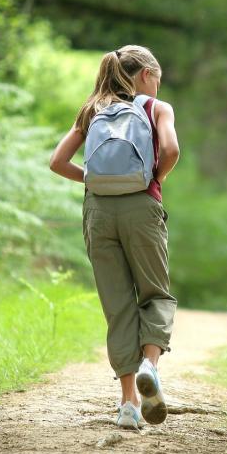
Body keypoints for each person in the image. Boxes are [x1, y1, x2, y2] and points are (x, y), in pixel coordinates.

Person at [49, 45, 180, 430]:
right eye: (156, 78)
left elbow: (57, 162)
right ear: (145, 75)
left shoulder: (91, 110)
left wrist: (91, 179)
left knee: (118, 305)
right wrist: (155, 178)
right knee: (156, 293)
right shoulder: (156, 108)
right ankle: (150, 366)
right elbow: (171, 149)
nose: (157, 85)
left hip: (99, 212)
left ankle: (127, 405)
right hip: (141, 207)